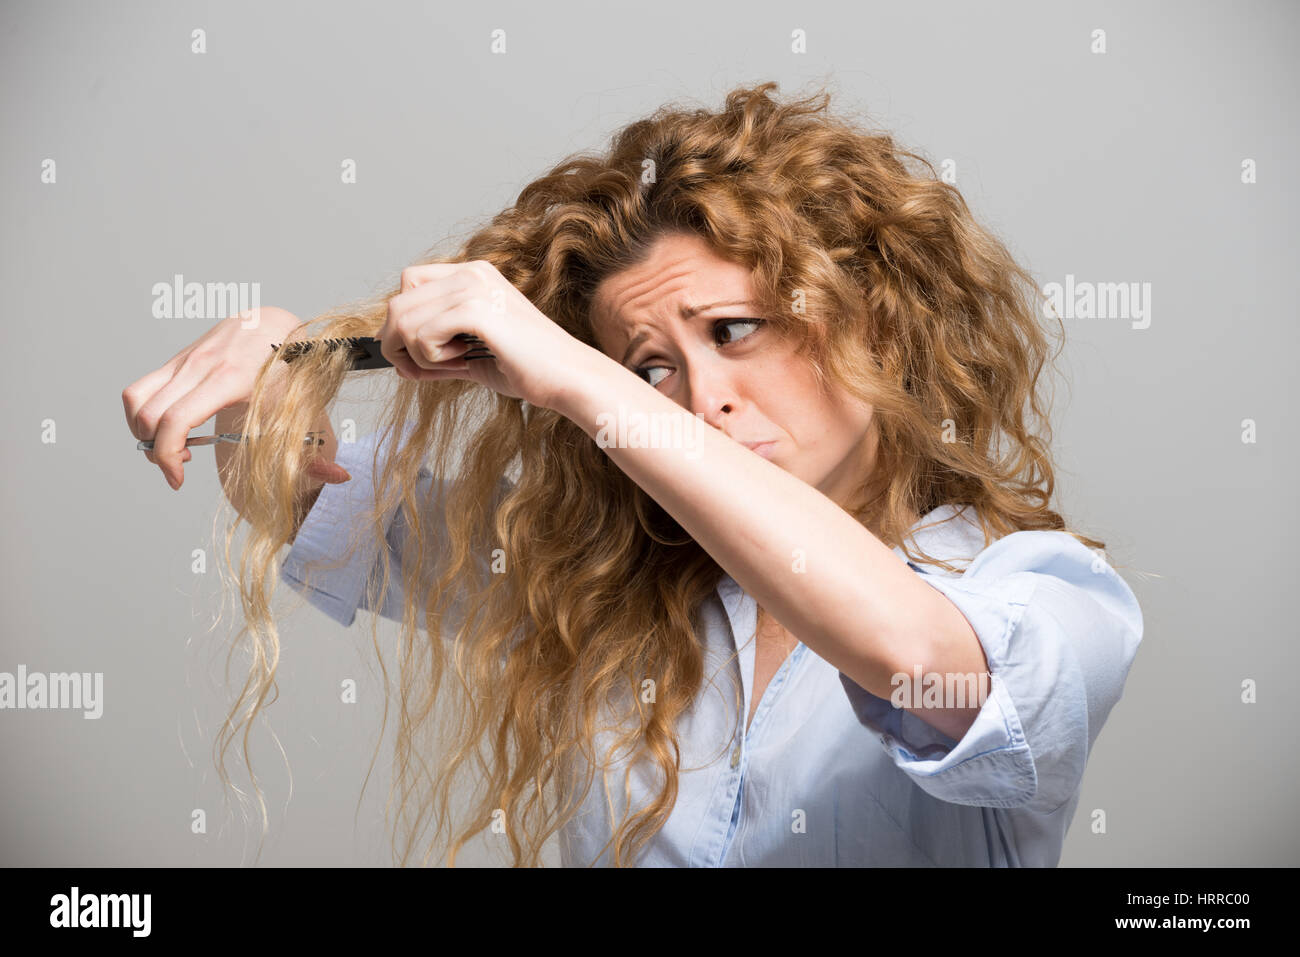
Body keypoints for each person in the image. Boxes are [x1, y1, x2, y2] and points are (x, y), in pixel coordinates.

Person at [122, 81, 1143, 867]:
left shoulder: (1048, 598)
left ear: (873, 316)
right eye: (650, 364)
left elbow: (911, 652)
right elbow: (303, 493)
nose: (698, 400)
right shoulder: (591, 597)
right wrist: (269, 370)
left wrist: (577, 375)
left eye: (736, 331)